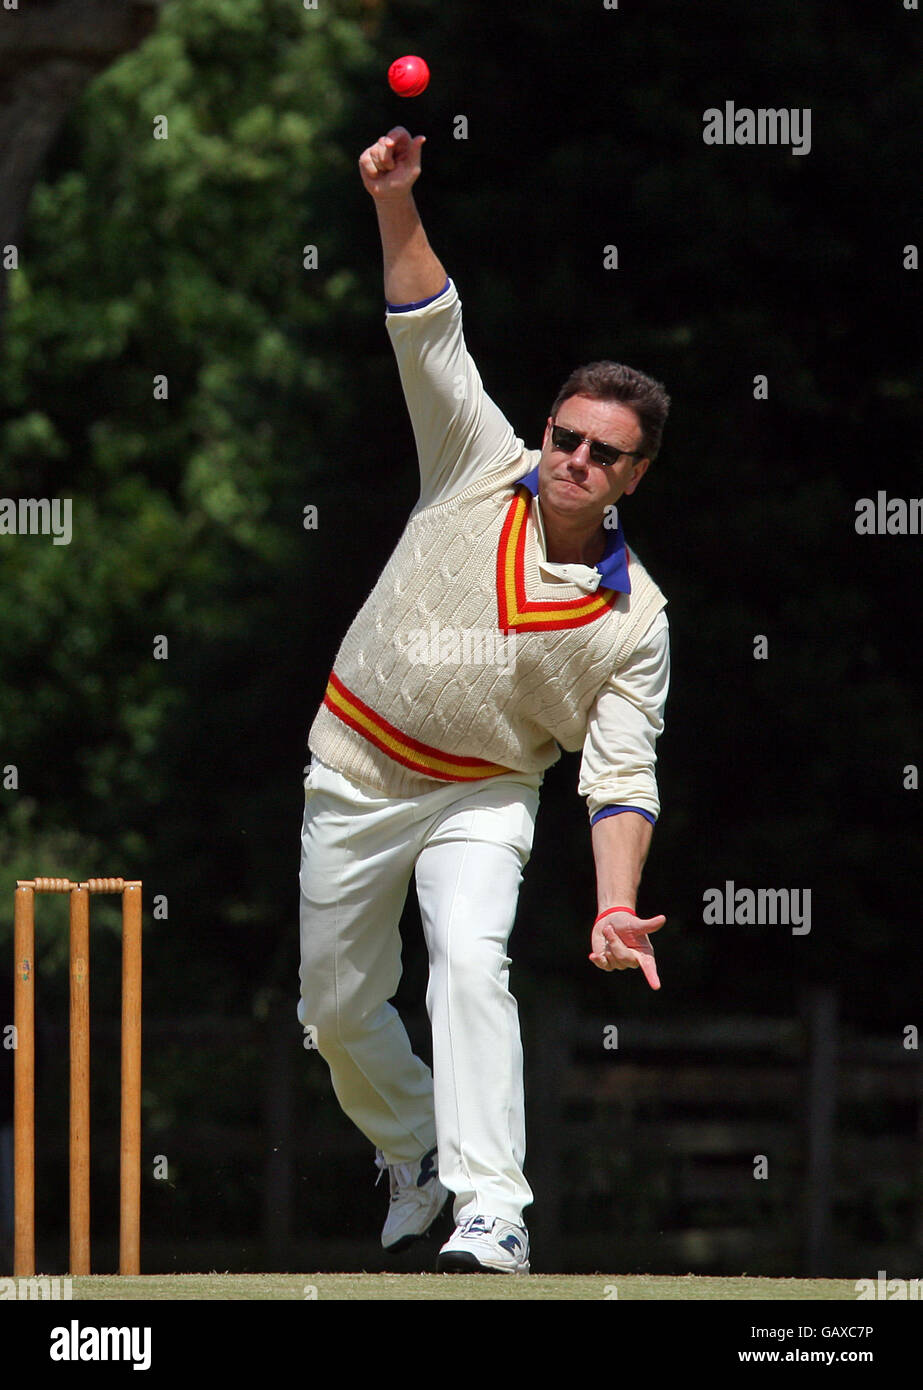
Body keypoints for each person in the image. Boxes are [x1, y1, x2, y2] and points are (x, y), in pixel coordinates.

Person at [298, 126, 670, 1275]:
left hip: (485, 792)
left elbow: (618, 773)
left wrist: (615, 906)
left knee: (469, 958)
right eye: (564, 436)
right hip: (354, 768)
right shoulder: (477, 463)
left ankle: (490, 1209)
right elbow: (430, 333)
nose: (571, 460)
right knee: (335, 1008)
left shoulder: (633, 618)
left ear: (632, 474)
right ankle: (411, 1152)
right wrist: (395, 201)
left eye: (600, 454)